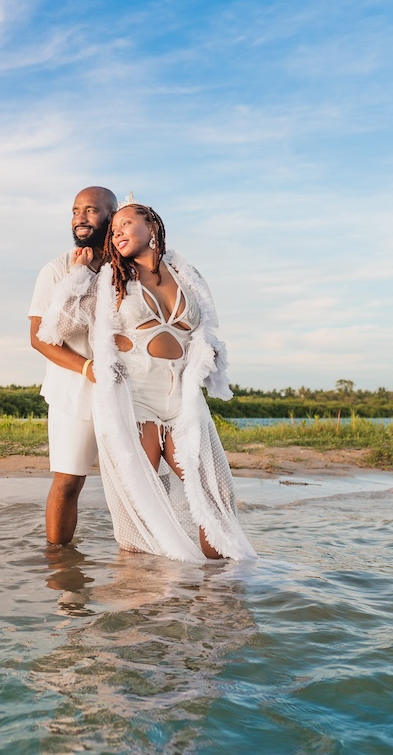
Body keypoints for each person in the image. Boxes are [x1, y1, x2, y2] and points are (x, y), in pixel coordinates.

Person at [38, 197, 257, 563]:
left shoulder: (186, 273)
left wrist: (208, 357)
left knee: (216, 492)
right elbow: (57, 328)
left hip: (182, 396)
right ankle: (138, 589)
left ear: (152, 226)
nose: (117, 233)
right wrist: (78, 276)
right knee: (141, 499)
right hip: (133, 396)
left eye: (126, 223)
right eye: (114, 230)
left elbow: (206, 328)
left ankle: (219, 586)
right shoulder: (109, 278)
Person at [29, 186, 119, 546]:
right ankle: (59, 566)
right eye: (75, 210)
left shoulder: (128, 265)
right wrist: (87, 369)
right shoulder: (56, 269)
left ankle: (140, 566)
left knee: (139, 481)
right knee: (68, 481)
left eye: (91, 210)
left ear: (113, 216)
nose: (80, 217)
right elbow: (39, 338)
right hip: (74, 391)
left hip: (126, 391)